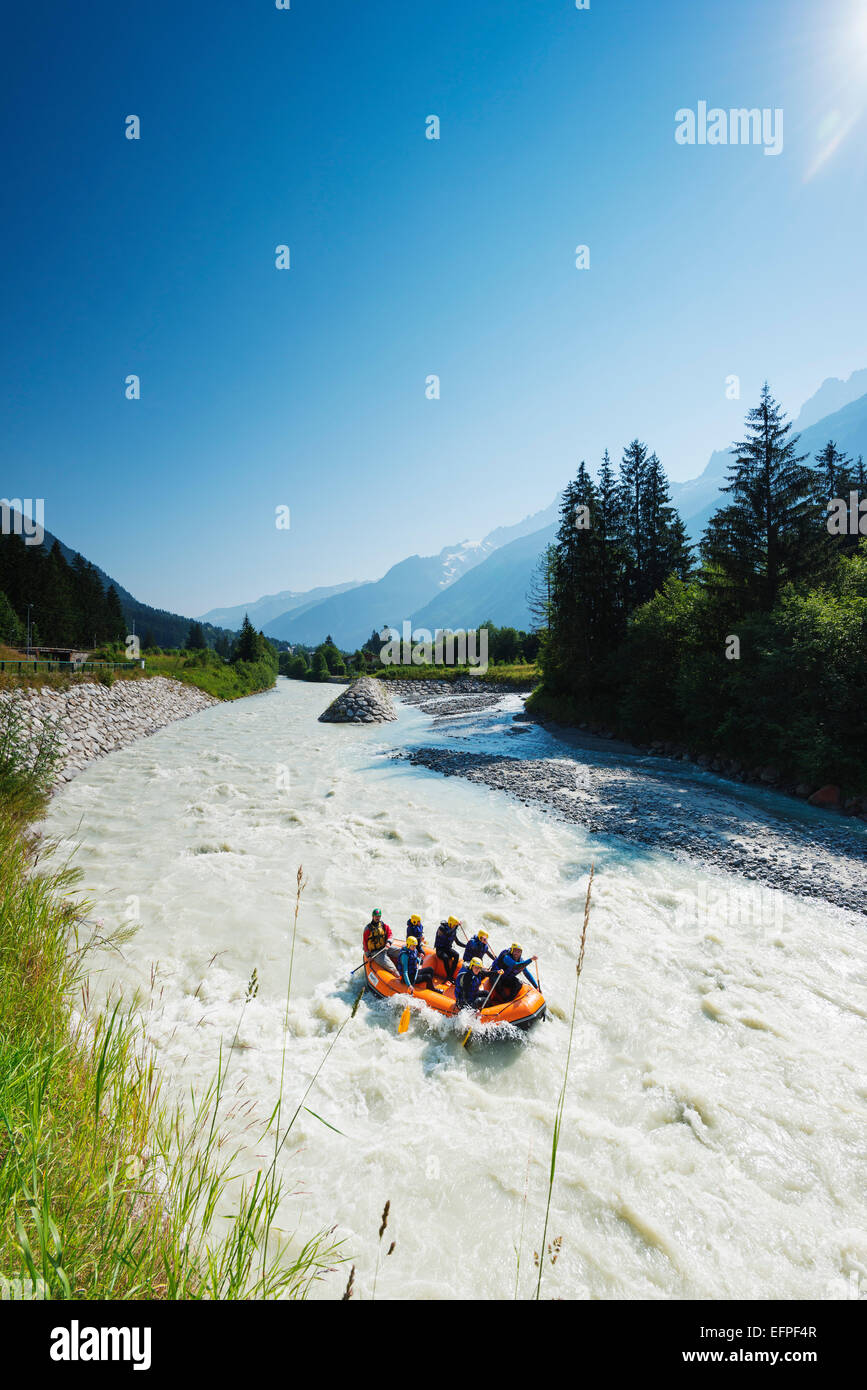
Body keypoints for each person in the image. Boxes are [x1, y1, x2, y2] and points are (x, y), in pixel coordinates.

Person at [363, 908, 398, 975]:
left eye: (379, 916)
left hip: (385, 947)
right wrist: (368, 956)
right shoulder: (368, 929)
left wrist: (388, 942)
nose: (377, 918)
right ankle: (398, 977)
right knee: (393, 969)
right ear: (372, 916)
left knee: (401, 952)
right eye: (376, 916)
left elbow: (390, 934)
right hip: (375, 953)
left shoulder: (383, 925)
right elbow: (364, 943)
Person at [434, 916, 466, 981]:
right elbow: (447, 934)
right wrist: (456, 926)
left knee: (456, 955)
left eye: (455, 925)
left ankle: (451, 975)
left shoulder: (453, 931)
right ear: (451, 923)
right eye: (454, 925)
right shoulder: (441, 928)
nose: (455, 926)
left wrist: (466, 946)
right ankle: (448, 976)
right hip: (440, 950)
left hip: (447, 949)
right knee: (445, 957)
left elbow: (457, 942)